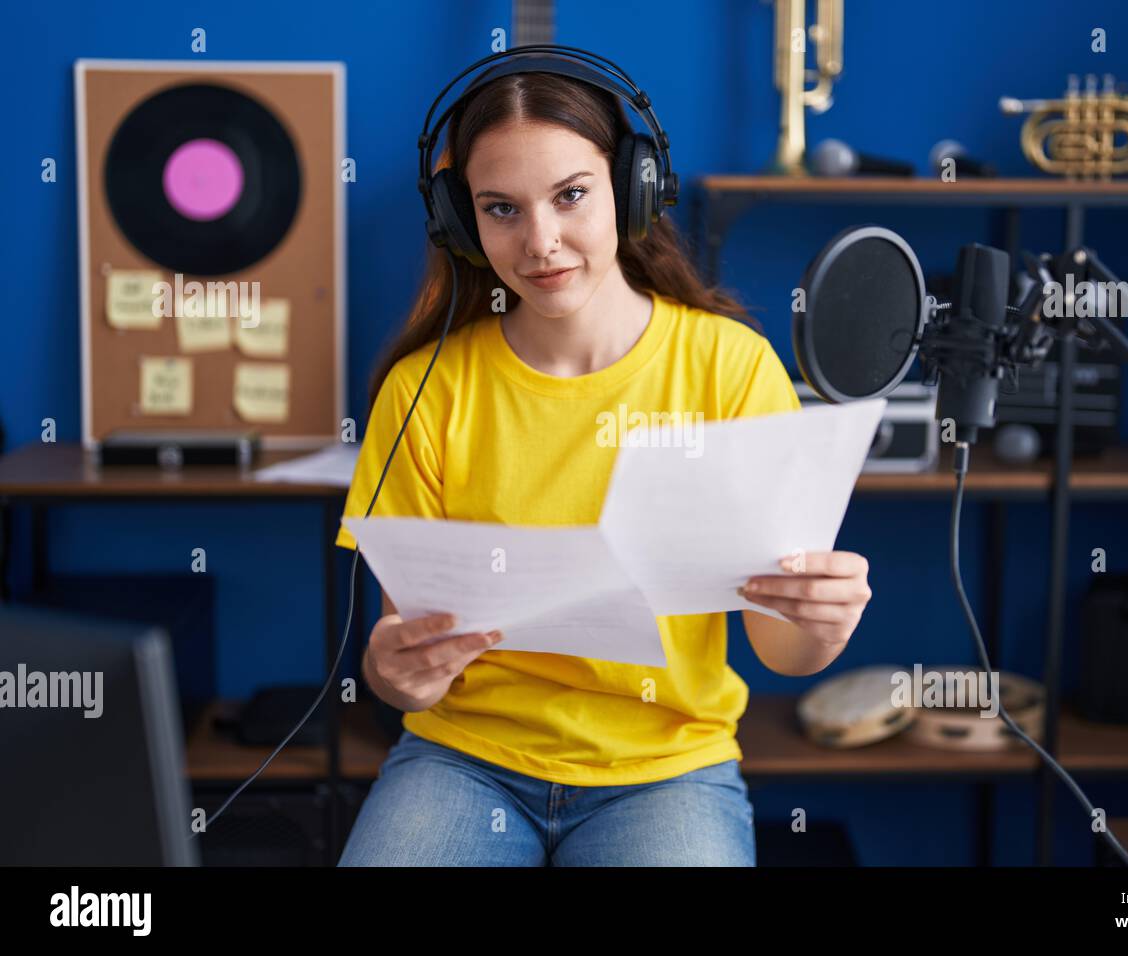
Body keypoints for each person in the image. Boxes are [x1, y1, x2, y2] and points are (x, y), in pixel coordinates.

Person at [335, 64, 873, 866]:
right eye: (501, 209)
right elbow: (407, 658)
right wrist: (394, 672)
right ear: (460, 220)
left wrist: (822, 626)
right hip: (463, 758)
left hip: (666, 772)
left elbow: (778, 648)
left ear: (634, 186)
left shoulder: (730, 368)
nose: (541, 241)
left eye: (572, 195)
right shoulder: (426, 388)